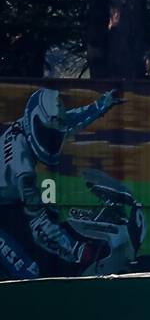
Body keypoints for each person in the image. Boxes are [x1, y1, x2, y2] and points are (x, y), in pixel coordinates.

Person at [0, 87, 124, 278]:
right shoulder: (22, 167)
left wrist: (103, 103)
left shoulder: (35, 125)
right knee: (28, 270)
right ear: (33, 120)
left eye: (54, 135)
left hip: (8, 201)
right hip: (5, 207)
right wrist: (78, 251)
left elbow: (72, 119)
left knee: (51, 216)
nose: (51, 140)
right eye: (45, 133)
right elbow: (39, 223)